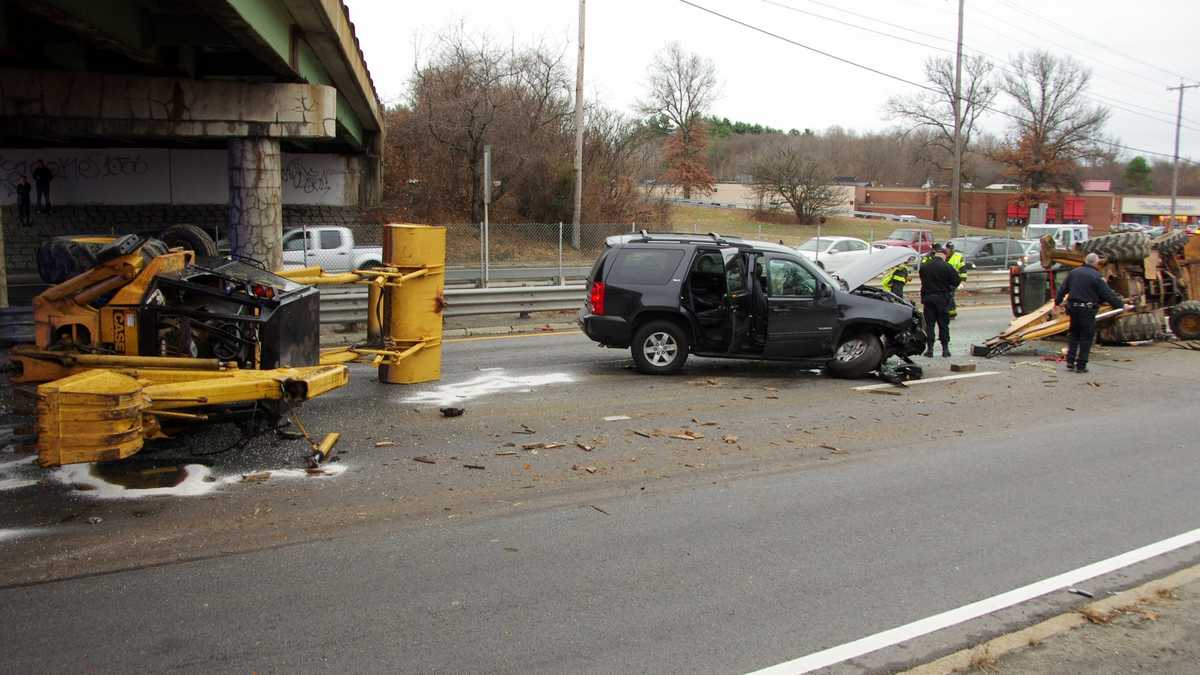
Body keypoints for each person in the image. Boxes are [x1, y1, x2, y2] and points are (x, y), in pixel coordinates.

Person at [1054, 252, 1134, 373]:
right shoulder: (1096, 276)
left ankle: (1070, 361)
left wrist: (1057, 302)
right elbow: (1107, 294)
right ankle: (1081, 365)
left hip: (1073, 308)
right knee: (1086, 337)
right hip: (1087, 310)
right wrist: (1121, 306)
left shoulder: (1074, 273)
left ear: (1085, 261)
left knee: (1074, 334)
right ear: (1096, 263)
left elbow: (1063, 289)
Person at [918, 244, 960, 357]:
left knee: (929, 325)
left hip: (928, 299)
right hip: (942, 299)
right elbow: (956, 281)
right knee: (943, 325)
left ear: (935, 254)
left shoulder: (925, 266)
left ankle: (930, 350)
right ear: (944, 255)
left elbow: (922, 278)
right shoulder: (947, 267)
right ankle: (945, 350)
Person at [944, 241, 967, 320]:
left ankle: (950, 313)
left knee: (949, 296)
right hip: (944, 280)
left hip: (953, 280)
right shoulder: (943, 255)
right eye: (948, 248)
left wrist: (963, 281)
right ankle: (951, 312)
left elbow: (963, 270)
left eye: (950, 249)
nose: (949, 250)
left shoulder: (958, 257)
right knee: (947, 296)